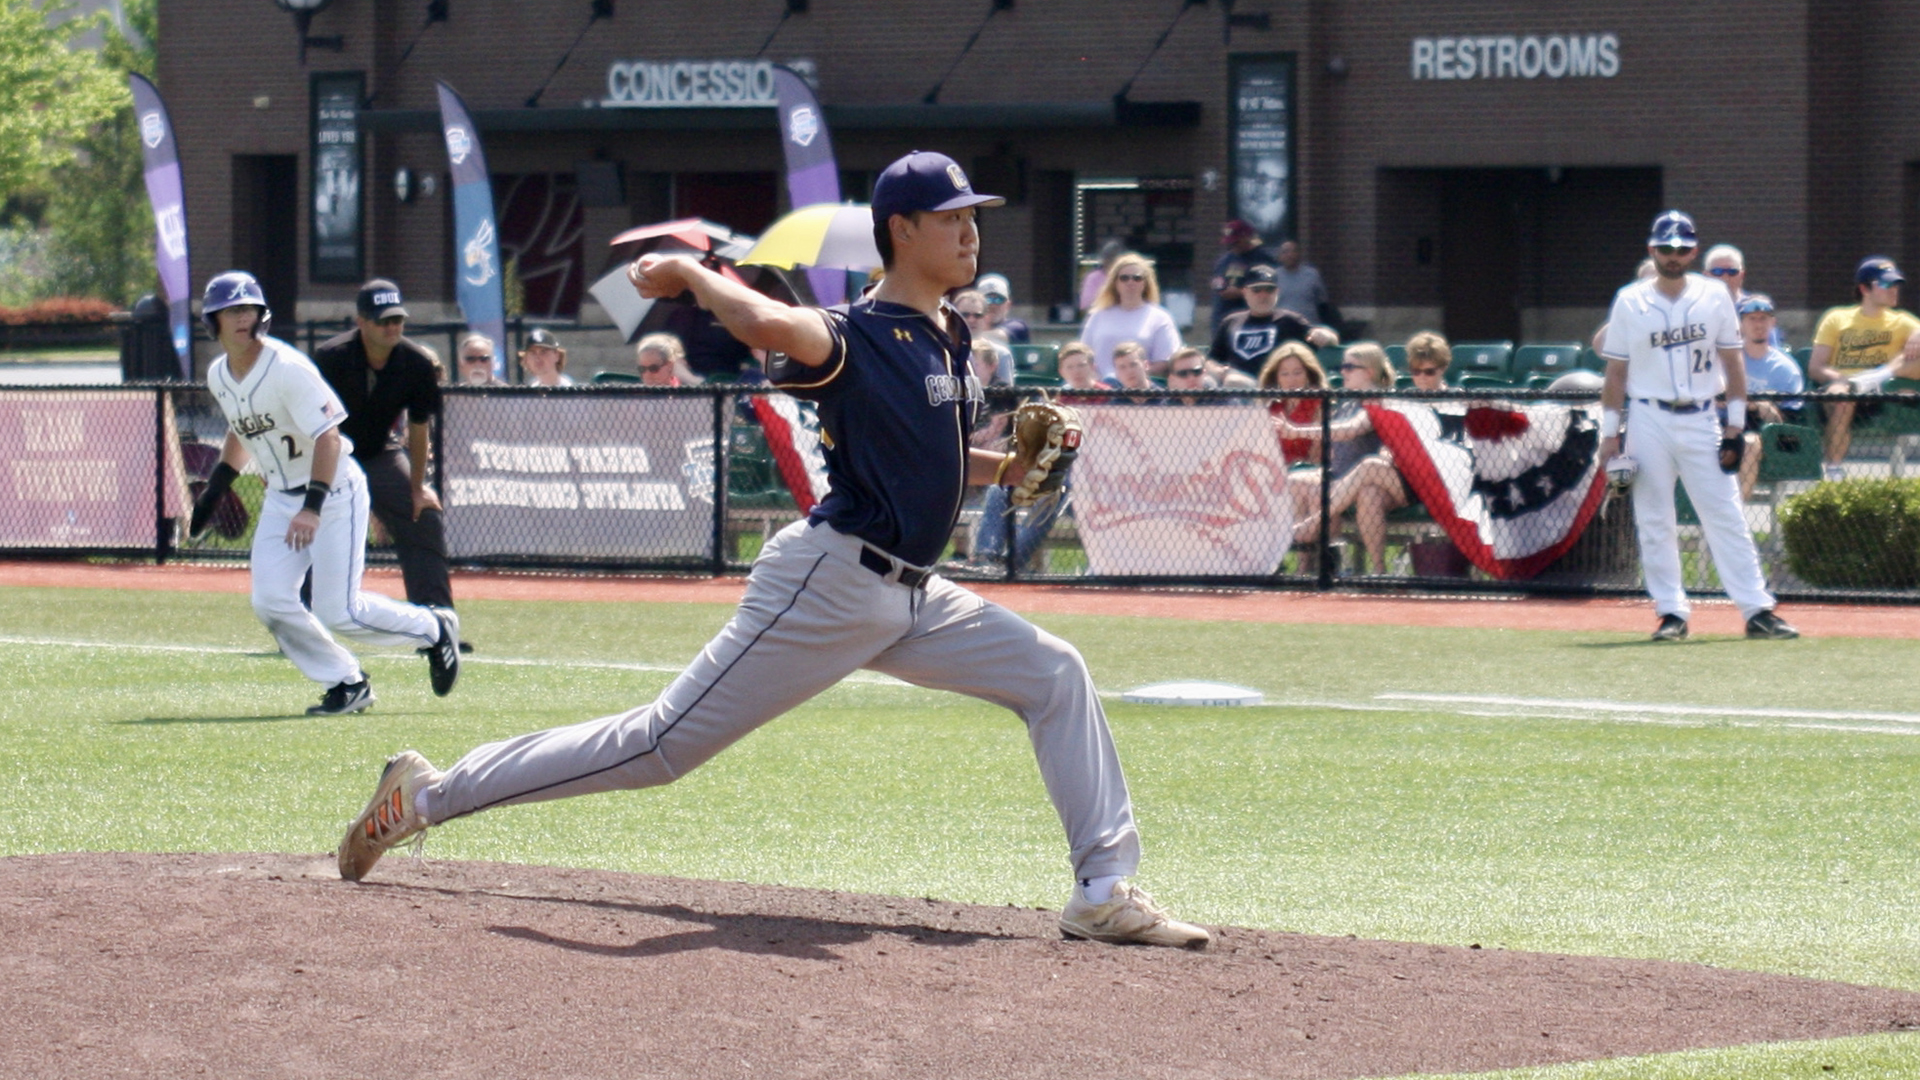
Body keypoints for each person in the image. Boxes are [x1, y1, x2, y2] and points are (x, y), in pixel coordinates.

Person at [335, 149, 1208, 950]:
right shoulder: (852, 334)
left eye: (972, 215)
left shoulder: (947, 335)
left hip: (914, 595)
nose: (970, 231)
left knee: (1054, 671)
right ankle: (428, 796)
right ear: (901, 231)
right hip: (830, 582)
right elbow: (760, 319)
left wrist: (1006, 469)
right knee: (657, 748)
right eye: (951, 217)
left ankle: (1101, 889)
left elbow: (932, 459)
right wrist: (688, 274)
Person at [195, 271, 459, 716]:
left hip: (333, 490)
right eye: (232, 310)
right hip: (282, 496)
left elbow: (329, 437)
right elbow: (243, 429)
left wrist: (313, 507)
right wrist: (215, 489)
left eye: (250, 309)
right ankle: (346, 681)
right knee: (271, 600)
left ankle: (434, 626)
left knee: (340, 611)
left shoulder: (286, 367)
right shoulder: (220, 373)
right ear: (213, 320)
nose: (243, 318)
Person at [1597, 210, 1797, 641]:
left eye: (1682, 247)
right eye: (1666, 247)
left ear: (1694, 251)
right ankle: (1671, 613)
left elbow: (1732, 361)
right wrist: (1609, 435)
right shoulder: (1630, 299)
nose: (1674, 254)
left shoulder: (1713, 295)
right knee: (1654, 518)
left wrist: (1736, 428)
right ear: (1652, 249)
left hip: (1703, 414)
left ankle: (1758, 609)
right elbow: (1616, 372)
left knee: (1725, 512)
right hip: (1648, 415)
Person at [311, 279, 461, 631]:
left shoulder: (417, 363)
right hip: (329, 453)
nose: (392, 327)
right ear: (361, 322)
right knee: (310, 522)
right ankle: (302, 624)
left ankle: (438, 623)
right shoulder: (331, 357)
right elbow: (308, 419)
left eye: (397, 319)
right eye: (383, 320)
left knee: (422, 515)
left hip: (379, 452)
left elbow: (420, 427)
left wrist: (418, 487)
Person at [1275, 343, 1408, 576]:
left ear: (1368, 372)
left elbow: (1350, 429)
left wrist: (1298, 431)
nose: (1342, 372)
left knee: (1364, 494)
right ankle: (1305, 568)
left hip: (1372, 481)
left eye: (1348, 367)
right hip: (1342, 475)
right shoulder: (1346, 400)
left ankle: (1376, 571)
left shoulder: (1378, 399)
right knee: (1297, 480)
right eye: (1341, 367)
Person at [1808, 256, 1920, 480]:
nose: (1894, 289)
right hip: (1845, 387)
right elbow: (1816, 367)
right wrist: (1841, 380)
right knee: (1842, 398)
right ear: (1864, 288)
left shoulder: (1903, 321)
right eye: (1887, 284)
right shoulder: (1836, 318)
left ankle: (1876, 376)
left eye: (1896, 284)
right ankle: (1834, 470)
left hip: (1882, 392)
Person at [1209, 264, 1337, 377]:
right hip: (1235, 391)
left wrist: (1325, 335)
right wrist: (1217, 371)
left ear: (1277, 292)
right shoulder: (1231, 322)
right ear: (1245, 292)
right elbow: (1212, 360)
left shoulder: (1289, 321)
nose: (1263, 295)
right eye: (1256, 290)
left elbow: (1328, 338)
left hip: (1274, 389)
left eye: (1269, 289)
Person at [1080, 253, 1182, 379]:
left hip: (1140, 389)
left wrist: (1131, 374)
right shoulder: (1097, 316)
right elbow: (1083, 355)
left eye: (1137, 278)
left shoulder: (1160, 318)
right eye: (1124, 278)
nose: (1130, 282)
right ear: (1115, 283)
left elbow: (1166, 361)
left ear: (1145, 283)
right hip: (1099, 389)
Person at [1209, 219, 1279, 330]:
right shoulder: (1224, 261)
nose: (1232, 246)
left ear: (1247, 237)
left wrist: (1241, 292)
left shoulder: (1263, 259)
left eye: (1236, 242)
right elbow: (1217, 282)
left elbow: (1270, 288)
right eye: (1230, 243)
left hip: (1251, 321)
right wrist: (1221, 288)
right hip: (1223, 320)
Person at [953, 288, 1014, 383]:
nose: (971, 320)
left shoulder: (1001, 354)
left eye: (977, 315)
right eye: (965, 315)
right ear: (954, 316)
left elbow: (1007, 394)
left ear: (986, 318)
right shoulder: (945, 350)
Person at [1272, 240, 1330, 330]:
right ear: (1279, 257)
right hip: (1283, 328)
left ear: (1299, 254)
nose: (1290, 255)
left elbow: (1322, 301)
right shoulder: (1273, 277)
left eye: (1293, 251)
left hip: (1309, 327)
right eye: (1285, 252)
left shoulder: (1312, 274)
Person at [975, 273, 1030, 344]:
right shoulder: (971, 323)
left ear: (1008, 305)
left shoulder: (1017, 327)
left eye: (999, 299)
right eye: (987, 299)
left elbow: (998, 337)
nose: (993, 305)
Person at [636, 332, 700, 387]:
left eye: (653, 368)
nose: (647, 375)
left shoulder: (686, 394)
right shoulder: (636, 396)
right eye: (642, 369)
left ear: (670, 366)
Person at [1079, 239, 1126, 315]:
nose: (1112, 262)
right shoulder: (1093, 277)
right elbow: (1086, 304)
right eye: (1109, 258)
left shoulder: (1128, 278)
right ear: (1104, 260)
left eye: (1115, 259)